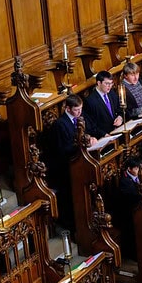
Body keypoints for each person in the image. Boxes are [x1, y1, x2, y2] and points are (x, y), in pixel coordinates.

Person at [49, 95, 97, 228]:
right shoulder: (60, 124)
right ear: (68, 108)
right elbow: (62, 149)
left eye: (81, 109)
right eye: (76, 110)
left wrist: (92, 138)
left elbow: (91, 130)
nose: (79, 112)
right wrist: (81, 145)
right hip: (67, 167)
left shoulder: (80, 117)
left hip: (82, 162)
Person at [115, 156, 142, 259]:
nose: (138, 171)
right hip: (128, 212)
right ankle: (133, 255)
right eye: (136, 169)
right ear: (129, 169)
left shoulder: (139, 175)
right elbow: (131, 196)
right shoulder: (125, 181)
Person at [83, 71, 123, 137]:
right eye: (107, 83)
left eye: (111, 83)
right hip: (104, 136)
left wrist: (120, 117)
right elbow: (91, 125)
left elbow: (120, 108)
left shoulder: (111, 93)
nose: (110, 86)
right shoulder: (90, 101)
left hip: (117, 131)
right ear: (99, 83)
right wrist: (104, 134)